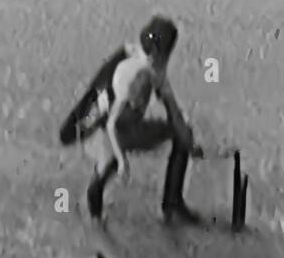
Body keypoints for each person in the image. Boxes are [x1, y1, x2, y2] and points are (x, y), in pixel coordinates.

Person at [58, 16, 203, 225]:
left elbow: (174, 111)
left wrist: (189, 143)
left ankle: (172, 201)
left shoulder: (155, 70)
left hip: (128, 124)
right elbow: (108, 122)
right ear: (159, 52)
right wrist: (120, 157)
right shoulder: (131, 74)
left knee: (179, 134)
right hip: (102, 128)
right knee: (111, 160)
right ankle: (93, 210)